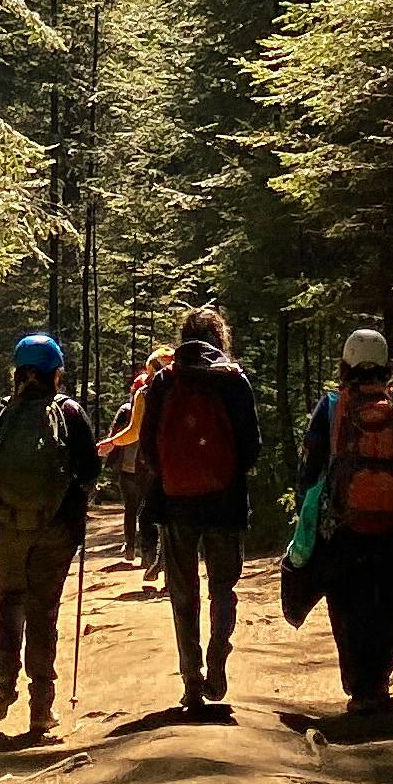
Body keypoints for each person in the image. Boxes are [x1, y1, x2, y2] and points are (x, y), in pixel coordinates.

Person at [289, 326, 393, 723]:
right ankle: (379, 682)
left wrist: (305, 511)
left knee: (344, 601)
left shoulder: (330, 405)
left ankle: (360, 688)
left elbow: (309, 468)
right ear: (385, 363)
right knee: (391, 597)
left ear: (345, 363)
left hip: (343, 526)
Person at [135, 303, 263, 718]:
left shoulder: (164, 382)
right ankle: (218, 657)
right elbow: (252, 446)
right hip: (225, 501)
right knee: (223, 587)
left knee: (183, 593)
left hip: (176, 504)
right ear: (220, 339)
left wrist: (171, 476)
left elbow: (149, 446)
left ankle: (191, 679)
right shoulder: (233, 380)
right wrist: (227, 472)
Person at [0, 332, 99, 740]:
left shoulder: (1, 417)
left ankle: (3, 685)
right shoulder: (70, 413)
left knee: (8, 602)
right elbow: (91, 471)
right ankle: (41, 707)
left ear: (18, 372)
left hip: (7, 529)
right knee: (43, 611)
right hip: (55, 529)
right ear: (55, 373)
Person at [101, 341, 174, 582]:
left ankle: (155, 560)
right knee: (180, 523)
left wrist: (111, 442)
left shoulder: (146, 394)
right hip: (185, 466)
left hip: (155, 466)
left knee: (149, 515)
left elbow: (134, 431)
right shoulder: (192, 388)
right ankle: (170, 571)